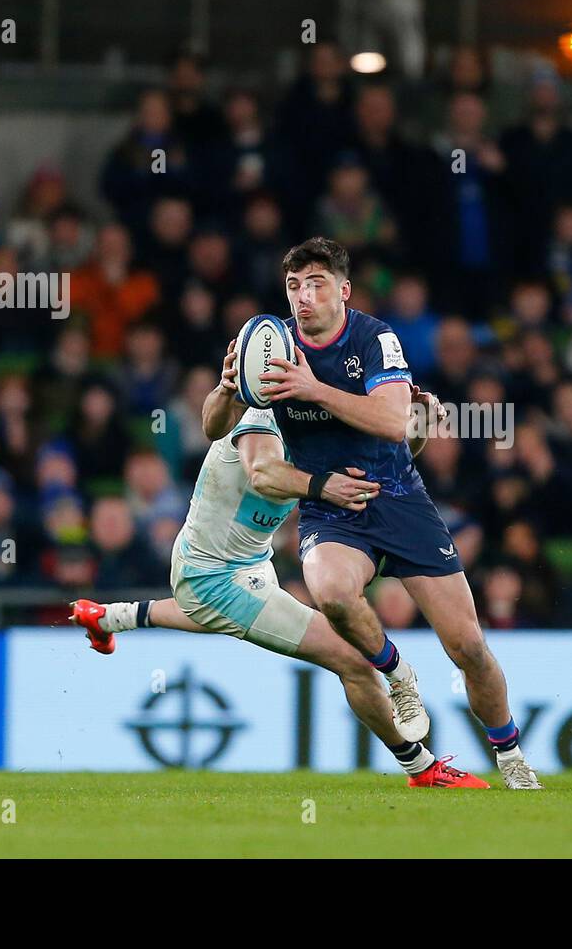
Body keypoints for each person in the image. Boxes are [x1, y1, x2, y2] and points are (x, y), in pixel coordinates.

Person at [204, 236, 542, 789]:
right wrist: (225, 388)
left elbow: (392, 422)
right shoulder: (271, 345)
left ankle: (509, 756)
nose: (303, 297)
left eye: (315, 284)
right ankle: (396, 671)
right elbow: (213, 427)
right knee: (332, 592)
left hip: (397, 496)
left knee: (469, 647)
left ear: (343, 290)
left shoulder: (375, 337)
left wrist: (312, 388)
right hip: (329, 504)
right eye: (293, 286)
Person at [70, 393, 488, 789]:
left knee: (207, 613)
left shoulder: (319, 424)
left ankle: (108, 617)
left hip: (248, 561)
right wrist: (324, 484)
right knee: (354, 659)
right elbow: (263, 473)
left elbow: (389, 465)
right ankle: (421, 767)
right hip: (213, 574)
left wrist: (418, 423)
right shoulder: (262, 417)